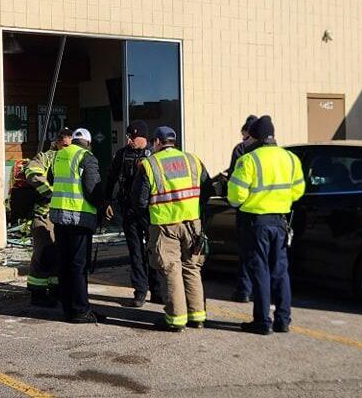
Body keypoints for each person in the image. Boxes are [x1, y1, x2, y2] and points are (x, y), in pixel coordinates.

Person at [227, 116, 305, 335]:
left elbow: (235, 196)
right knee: (281, 271)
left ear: (256, 137)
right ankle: (283, 320)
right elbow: (298, 191)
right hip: (280, 221)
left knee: (260, 270)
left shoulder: (249, 160)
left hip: (256, 222)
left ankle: (262, 321)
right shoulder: (290, 158)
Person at [131, 126, 213, 332]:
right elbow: (208, 190)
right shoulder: (193, 160)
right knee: (192, 267)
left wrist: (148, 219)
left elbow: (139, 200)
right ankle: (197, 316)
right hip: (192, 223)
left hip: (164, 225)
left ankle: (176, 318)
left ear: (158, 142)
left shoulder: (150, 164)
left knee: (171, 269)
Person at [103, 120, 164, 307]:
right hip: (129, 209)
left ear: (144, 137)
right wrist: (107, 201)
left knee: (154, 250)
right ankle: (140, 291)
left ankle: (158, 291)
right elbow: (111, 178)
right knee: (136, 251)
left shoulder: (155, 156)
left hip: (151, 211)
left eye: (133, 136)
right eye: (128, 136)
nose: (129, 140)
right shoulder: (122, 155)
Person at [49, 128, 104, 323]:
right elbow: (92, 189)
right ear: (88, 143)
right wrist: (103, 205)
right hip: (79, 217)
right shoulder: (87, 157)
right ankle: (81, 310)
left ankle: (68, 308)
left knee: (64, 264)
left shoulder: (58, 155)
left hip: (58, 215)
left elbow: (50, 179)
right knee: (79, 265)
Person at [23, 128, 73, 307]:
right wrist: (49, 193)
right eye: (64, 144)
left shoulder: (73, 158)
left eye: (70, 144)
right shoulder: (47, 157)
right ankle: (37, 293)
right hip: (45, 214)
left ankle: (56, 290)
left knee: (59, 254)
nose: (67, 147)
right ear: (58, 142)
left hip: (64, 215)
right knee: (44, 254)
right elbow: (31, 171)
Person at [225, 115, 260, 303]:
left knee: (246, 252)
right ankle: (259, 290)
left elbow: (235, 180)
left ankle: (244, 290)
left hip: (247, 210)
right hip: (273, 214)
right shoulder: (275, 153)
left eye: (245, 135)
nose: (242, 140)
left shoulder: (241, 151)